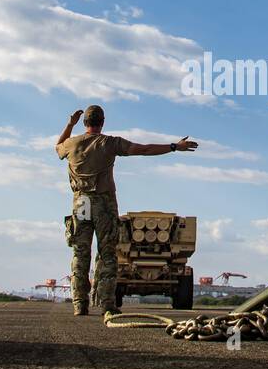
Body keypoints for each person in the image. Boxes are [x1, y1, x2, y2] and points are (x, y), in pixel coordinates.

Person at [55, 105, 198, 318]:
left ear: (84, 123)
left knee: (80, 253)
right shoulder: (110, 143)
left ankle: (79, 304)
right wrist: (174, 146)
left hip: (81, 203)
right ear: (102, 122)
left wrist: (69, 125)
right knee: (108, 254)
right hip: (104, 204)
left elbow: (57, 146)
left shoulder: (71, 144)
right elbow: (144, 149)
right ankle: (107, 304)